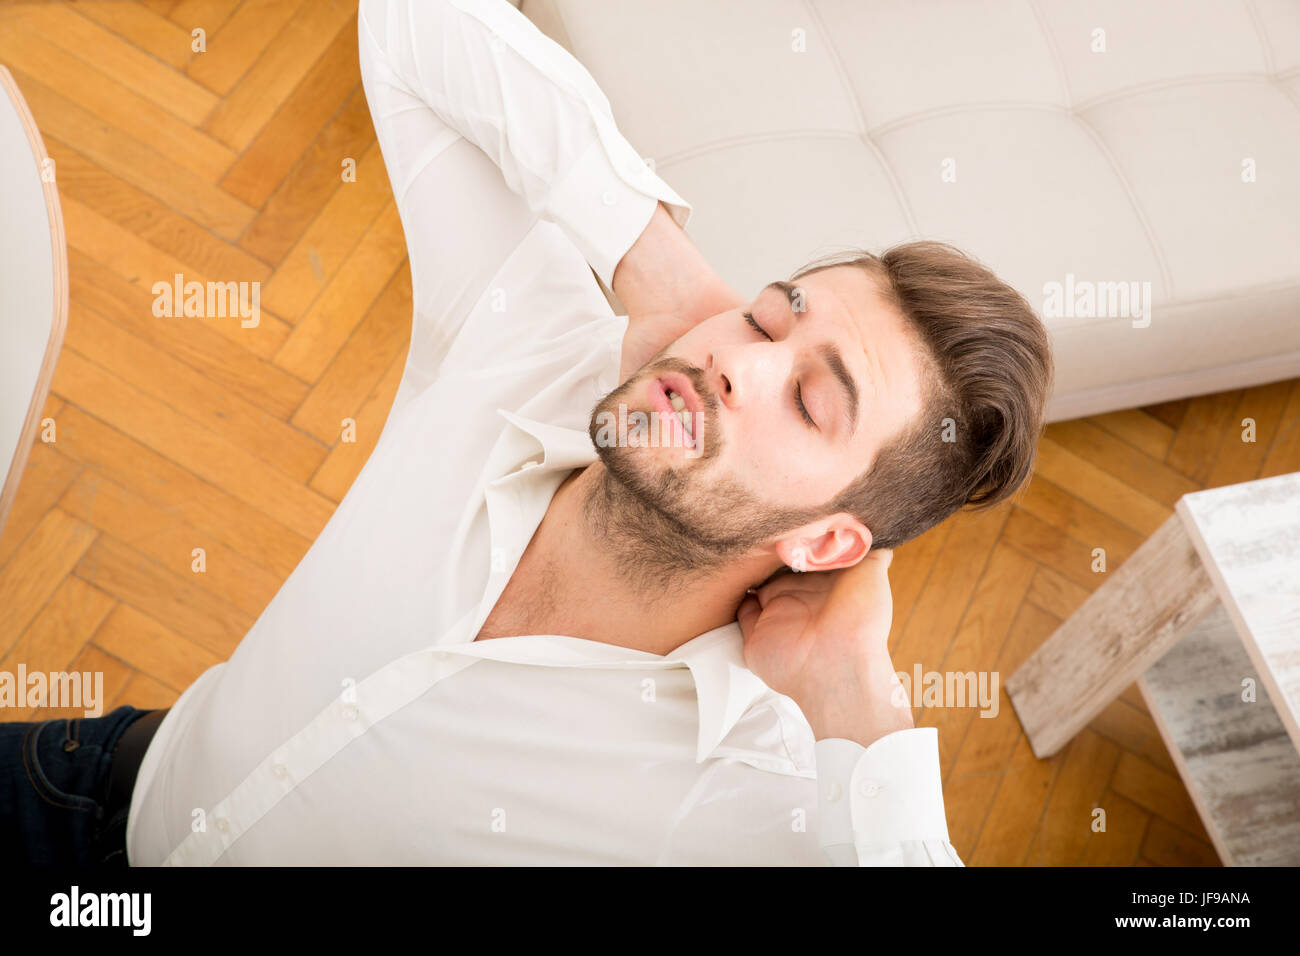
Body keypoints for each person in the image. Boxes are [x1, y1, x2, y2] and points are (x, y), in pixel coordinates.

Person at [1, 0, 1051, 866]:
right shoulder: (540, 339)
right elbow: (414, 26)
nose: (742, 356)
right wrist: (650, 255)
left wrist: (856, 700)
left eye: (811, 400)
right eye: (773, 316)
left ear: (828, 541)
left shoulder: (761, 797)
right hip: (98, 789)